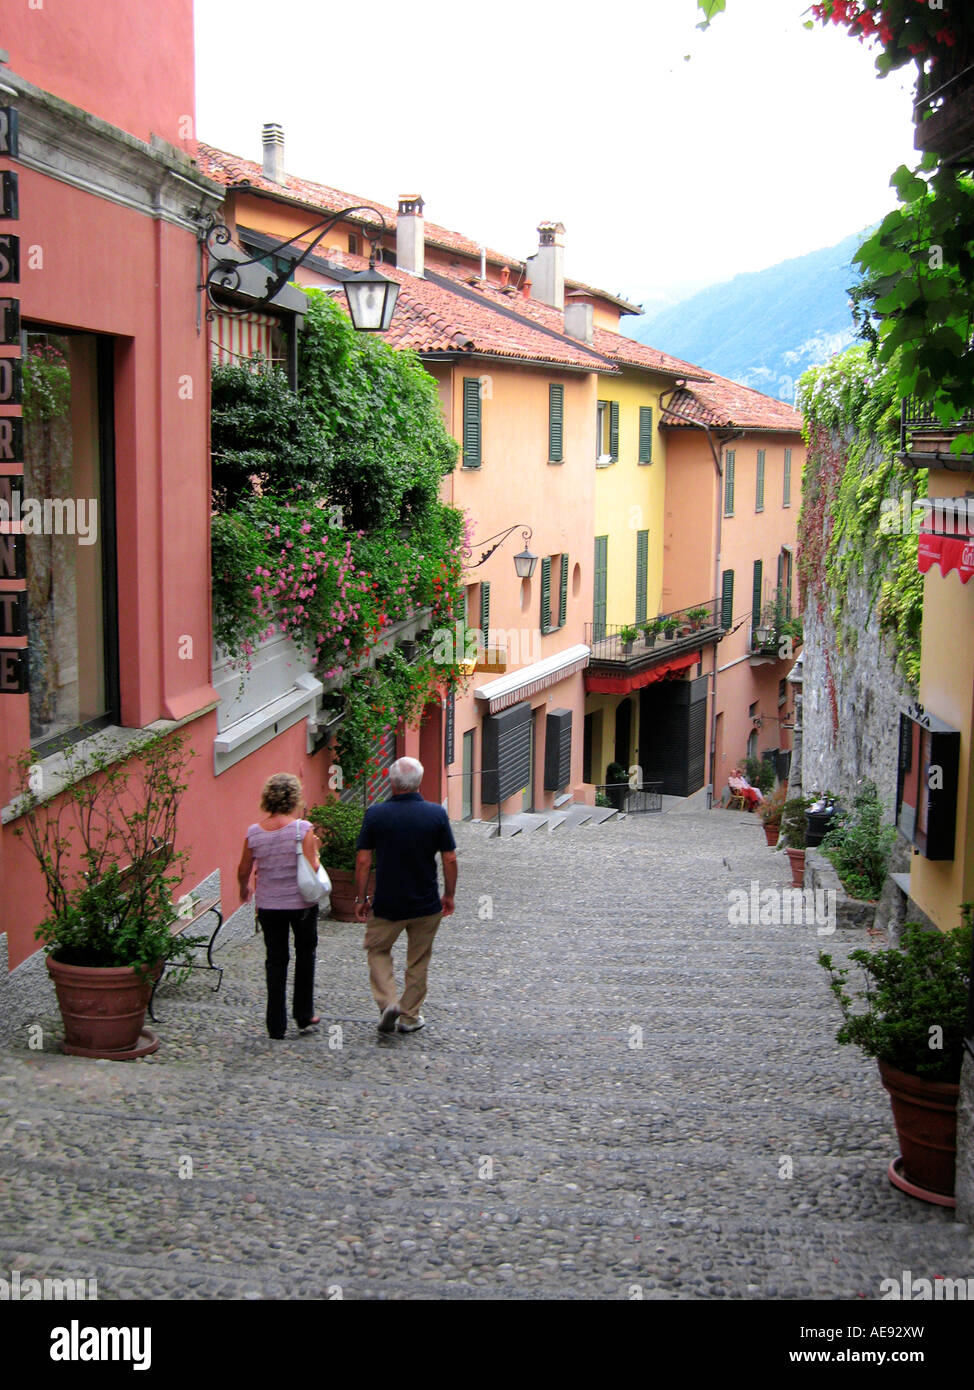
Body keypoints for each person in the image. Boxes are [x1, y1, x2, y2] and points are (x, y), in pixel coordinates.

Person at [354, 756, 458, 1034]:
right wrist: (448, 895)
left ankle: (388, 1001)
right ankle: (410, 1016)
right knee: (418, 960)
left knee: (377, 950)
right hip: (425, 903)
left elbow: (364, 860)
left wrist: (361, 898)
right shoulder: (436, 814)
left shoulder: (375, 814)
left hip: (387, 902)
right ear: (419, 782)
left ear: (391, 781)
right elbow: (449, 859)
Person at [238, 772, 322, 1040]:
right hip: (302, 905)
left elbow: (243, 869)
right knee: (305, 955)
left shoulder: (254, 833)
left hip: (269, 905)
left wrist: (244, 888)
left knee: (275, 960)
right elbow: (313, 867)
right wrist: (317, 851)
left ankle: (276, 1025)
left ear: (268, 799)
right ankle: (303, 1013)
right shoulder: (303, 829)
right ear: (294, 798)